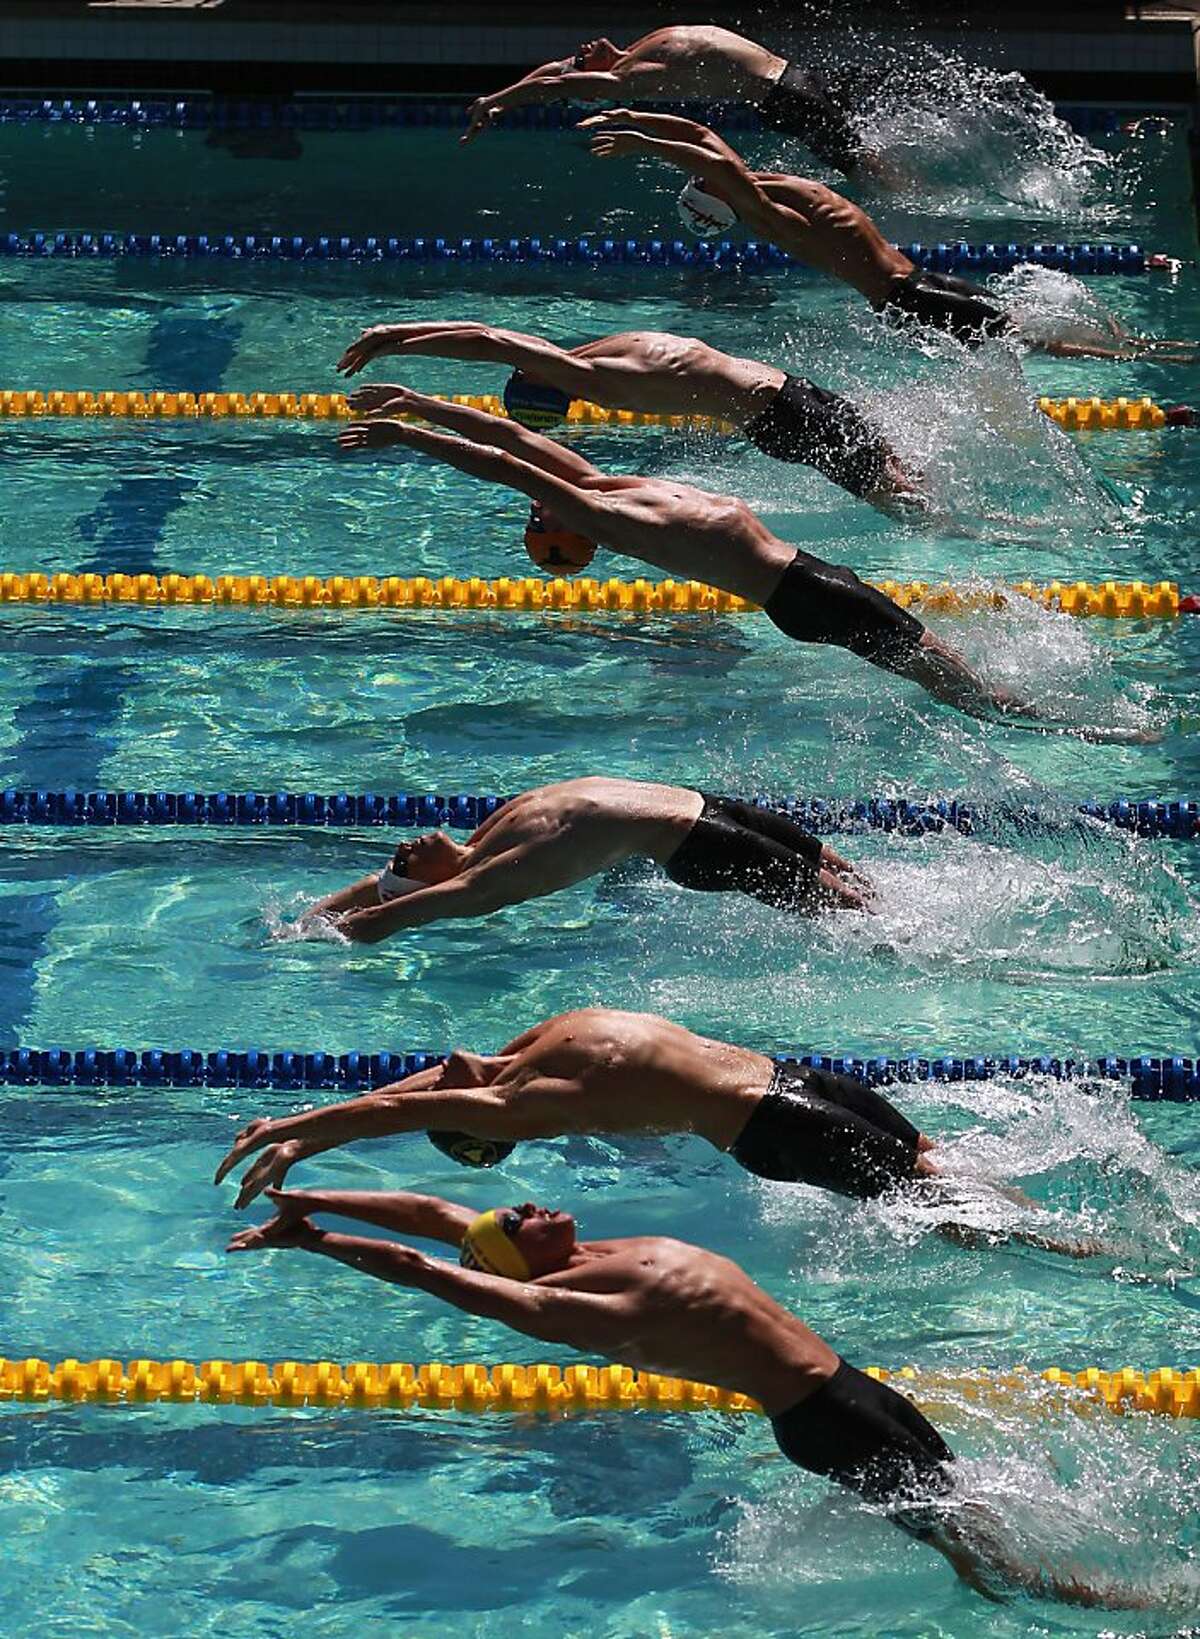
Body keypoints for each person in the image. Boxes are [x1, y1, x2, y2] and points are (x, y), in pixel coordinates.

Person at [225, 1184, 1131, 1604]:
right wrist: (311, 1244)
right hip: (825, 1418)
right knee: (970, 1541)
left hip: (854, 1389)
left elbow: (432, 1217)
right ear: (520, 1259)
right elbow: (426, 1264)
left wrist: (305, 1193)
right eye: (519, 1220)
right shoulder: (565, 1304)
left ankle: (1041, 1588)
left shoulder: (586, 1253)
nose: (528, 1204)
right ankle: (1085, 1605)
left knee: (963, 1501)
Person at [335, 381, 1027, 725]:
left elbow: (507, 439)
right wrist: (406, 437)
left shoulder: (599, 487)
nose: (535, 507)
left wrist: (419, 403)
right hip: (803, 592)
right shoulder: (604, 513)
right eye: (539, 520)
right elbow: (504, 467)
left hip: (807, 581)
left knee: (938, 667)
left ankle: (1024, 709)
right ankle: (1059, 723)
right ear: (568, 533)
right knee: (954, 679)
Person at [214, 1006, 1108, 1270]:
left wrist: (302, 1129)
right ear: (472, 1123)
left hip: (793, 1078)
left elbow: (410, 1091)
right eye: (437, 1094)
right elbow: (396, 1114)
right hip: (772, 1124)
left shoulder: (508, 1058)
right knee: (920, 1198)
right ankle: (1068, 1245)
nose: (431, 1073)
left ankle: (1043, 1222)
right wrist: (297, 1133)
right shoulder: (515, 1102)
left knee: (926, 1164)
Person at [581, 110, 1198, 362]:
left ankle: (1155, 349)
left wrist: (634, 118)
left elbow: (709, 145)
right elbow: (719, 165)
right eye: (709, 182)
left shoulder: (759, 187)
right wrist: (642, 147)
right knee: (1037, 344)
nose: (711, 173)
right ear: (719, 200)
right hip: (913, 301)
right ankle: (1152, 355)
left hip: (920, 288)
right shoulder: (765, 212)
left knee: (1032, 333)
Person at [336, 320, 925, 515]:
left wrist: (397, 339)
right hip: (795, 394)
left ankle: (997, 535)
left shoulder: (590, 378)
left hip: (784, 423)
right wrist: (399, 334)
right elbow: (500, 337)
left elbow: (490, 341)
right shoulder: (616, 344)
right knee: (905, 483)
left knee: (904, 507)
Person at [298, 777, 871, 946]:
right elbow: (388, 913)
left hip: (707, 807)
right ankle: (907, 948)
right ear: (429, 883)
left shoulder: (484, 835)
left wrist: (311, 914)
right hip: (698, 841)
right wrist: (311, 940)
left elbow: (378, 889)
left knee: (842, 873)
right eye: (404, 865)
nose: (398, 853)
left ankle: (900, 917)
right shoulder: (487, 878)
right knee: (843, 909)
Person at [460, 24, 889, 183]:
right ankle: (910, 198)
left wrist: (499, 106)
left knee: (865, 152)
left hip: (797, 79)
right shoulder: (631, 76)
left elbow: (556, 70)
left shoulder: (635, 52)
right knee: (864, 167)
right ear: (592, 79)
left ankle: (901, 184)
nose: (581, 47)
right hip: (789, 99)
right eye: (581, 58)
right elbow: (558, 81)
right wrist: (496, 99)